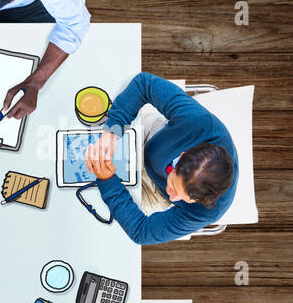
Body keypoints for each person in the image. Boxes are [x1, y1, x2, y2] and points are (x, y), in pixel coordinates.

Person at [83, 72, 236, 244]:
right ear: (181, 156)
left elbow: (141, 232)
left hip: (154, 192)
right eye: (172, 186)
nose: (173, 199)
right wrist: (112, 132)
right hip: (151, 137)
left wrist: (107, 180)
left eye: (184, 198)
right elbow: (144, 84)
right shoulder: (198, 122)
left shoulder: (208, 212)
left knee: (93, 215)